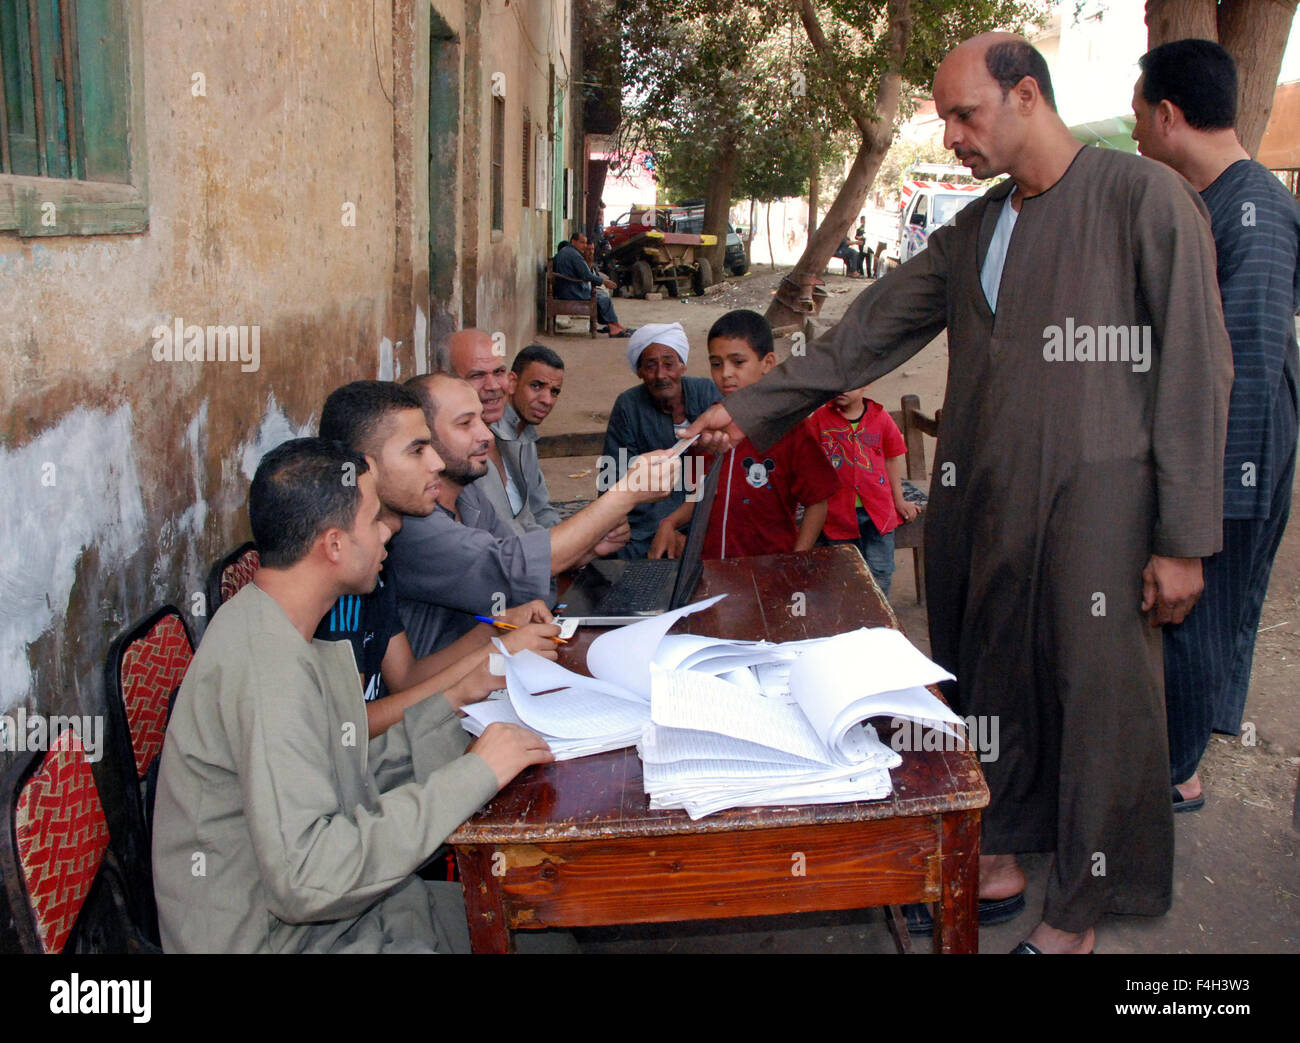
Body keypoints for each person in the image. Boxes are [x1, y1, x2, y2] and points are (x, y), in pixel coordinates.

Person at [682, 33, 1233, 954]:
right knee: (991, 670)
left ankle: (1079, 912)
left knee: (1097, 694)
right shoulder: (977, 225)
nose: (951, 137)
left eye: (963, 114)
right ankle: (1007, 846)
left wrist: (1184, 538)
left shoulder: (1145, 197)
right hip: (983, 496)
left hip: (1102, 506)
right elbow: (870, 331)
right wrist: (754, 410)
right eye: (943, 119)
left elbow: (1196, 371)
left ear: (1026, 97)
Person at [152, 438, 553, 952]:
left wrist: (450, 708)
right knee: (530, 923)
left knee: (539, 919)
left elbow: (347, 774)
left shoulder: (277, 622)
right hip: (283, 938)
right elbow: (310, 877)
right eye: (373, 519)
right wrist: (476, 773)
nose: (388, 531)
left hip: (339, 919)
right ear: (334, 545)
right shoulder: (265, 669)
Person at [1130, 39, 1300, 813]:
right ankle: (1177, 765)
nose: (1134, 135)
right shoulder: (1210, 199)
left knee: (1196, 621)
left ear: (1169, 116)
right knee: (1181, 626)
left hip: (1237, 462)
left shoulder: (1255, 208)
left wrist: (1196, 520)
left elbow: (1251, 369)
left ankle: (1175, 774)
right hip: (1205, 461)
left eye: (1139, 117)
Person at [316, 380, 560, 737]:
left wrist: (493, 631)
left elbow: (406, 680)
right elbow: (346, 730)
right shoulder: (337, 578)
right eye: (417, 450)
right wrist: (483, 666)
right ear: (363, 466)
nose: (435, 462)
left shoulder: (374, 560)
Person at [390, 373, 680, 654]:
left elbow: (524, 567)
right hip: (443, 690)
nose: (486, 436)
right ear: (422, 439)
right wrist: (625, 494)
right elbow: (512, 568)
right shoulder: (413, 521)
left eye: (481, 419)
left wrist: (588, 548)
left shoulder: (467, 492)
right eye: (465, 423)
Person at [649, 310, 839, 560]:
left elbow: (817, 503)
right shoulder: (711, 428)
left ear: (768, 364)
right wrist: (669, 522)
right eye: (716, 363)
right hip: (711, 568)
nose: (725, 373)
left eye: (738, 362)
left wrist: (796, 560)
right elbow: (703, 495)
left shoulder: (791, 430)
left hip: (770, 570)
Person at [602, 322, 723, 559]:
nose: (660, 375)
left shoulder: (708, 393)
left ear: (682, 365)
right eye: (650, 366)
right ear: (639, 372)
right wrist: (665, 527)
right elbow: (614, 478)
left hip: (705, 513)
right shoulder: (628, 406)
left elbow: (727, 469)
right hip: (646, 524)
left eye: (669, 364)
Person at [809, 384, 920, 596]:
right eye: (837, 381)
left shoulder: (881, 418)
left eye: (850, 383)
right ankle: (853, 620)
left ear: (866, 384)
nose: (841, 388)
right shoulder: (820, 419)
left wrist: (899, 501)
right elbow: (809, 461)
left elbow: (890, 460)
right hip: (837, 513)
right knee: (845, 572)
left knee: (880, 570)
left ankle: (878, 621)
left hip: (878, 512)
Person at [493, 343, 567, 530]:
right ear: (512, 382)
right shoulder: (489, 434)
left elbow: (540, 507)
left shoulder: (526, 438)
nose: (546, 400)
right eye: (536, 386)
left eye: (554, 392)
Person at [553, 233, 630, 337]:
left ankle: (615, 325)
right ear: (573, 242)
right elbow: (586, 275)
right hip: (572, 292)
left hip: (565, 289)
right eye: (582, 242)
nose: (585, 245)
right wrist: (603, 282)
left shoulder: (565, 252)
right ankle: (614, 328)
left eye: (585, 243)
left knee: (601, 296)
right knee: (603, 299)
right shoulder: (574, 255)